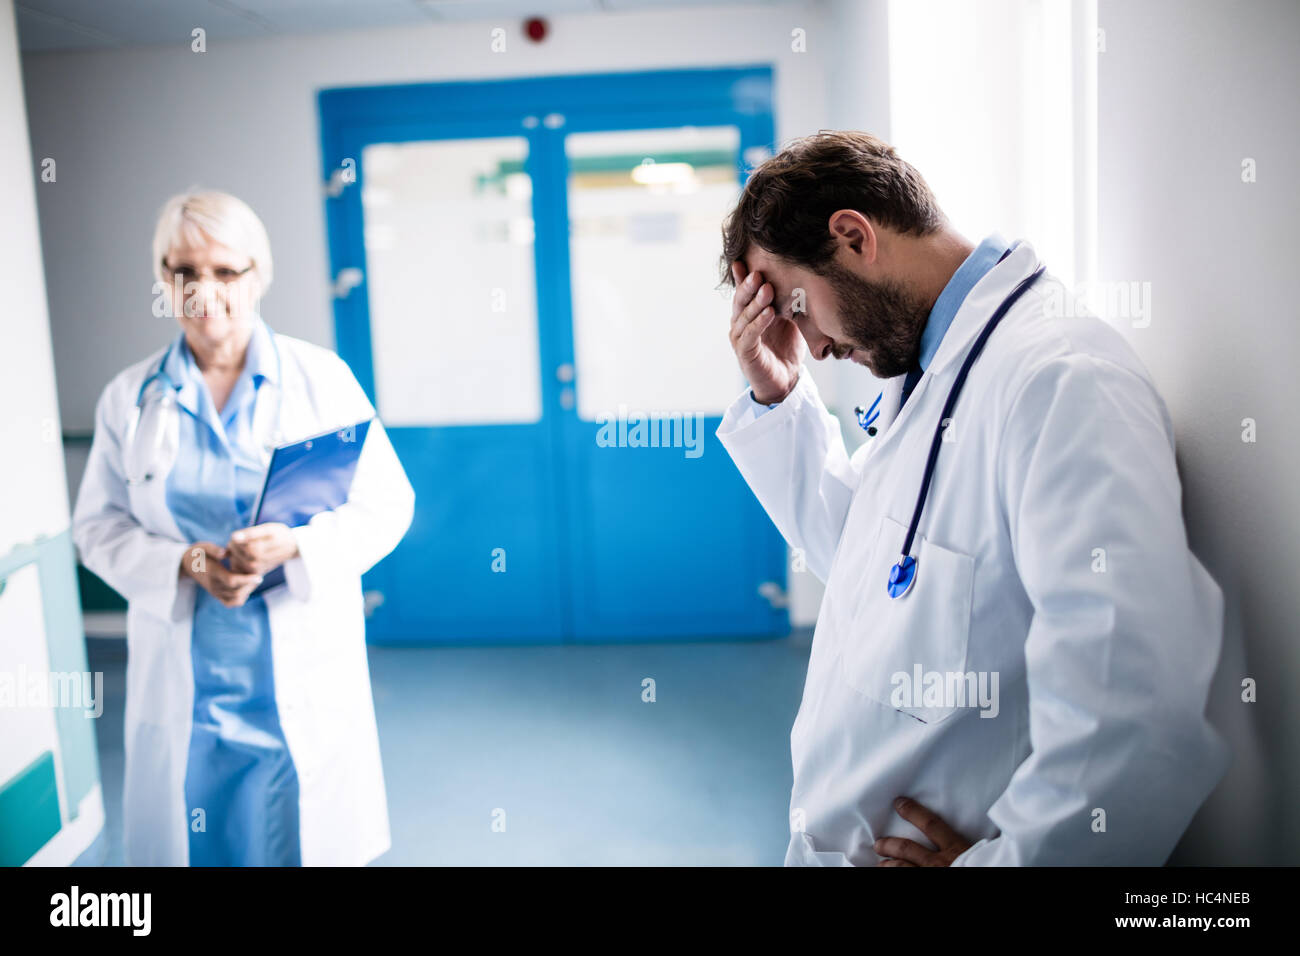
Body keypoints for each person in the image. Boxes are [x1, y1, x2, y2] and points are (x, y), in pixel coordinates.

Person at [717, 131, 1229, 866]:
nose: (814, 347)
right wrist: (778, 390)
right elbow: (871, 568)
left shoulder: (1059, 380)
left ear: (854, 236)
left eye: (794, 308)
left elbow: (1133, 705)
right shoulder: (924, 372)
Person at [72, 189, 415, 866]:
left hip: (299, 668)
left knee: (301, 838)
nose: (205, 290)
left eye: (225, 271)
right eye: (184, 271)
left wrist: (299, 545)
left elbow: (387, 504)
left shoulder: (323, 380)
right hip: (189, 680)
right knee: (200, 839)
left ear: (257, 275)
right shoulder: (129, 398)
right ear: (163, 280)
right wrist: (183, 563)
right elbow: (96, 527)